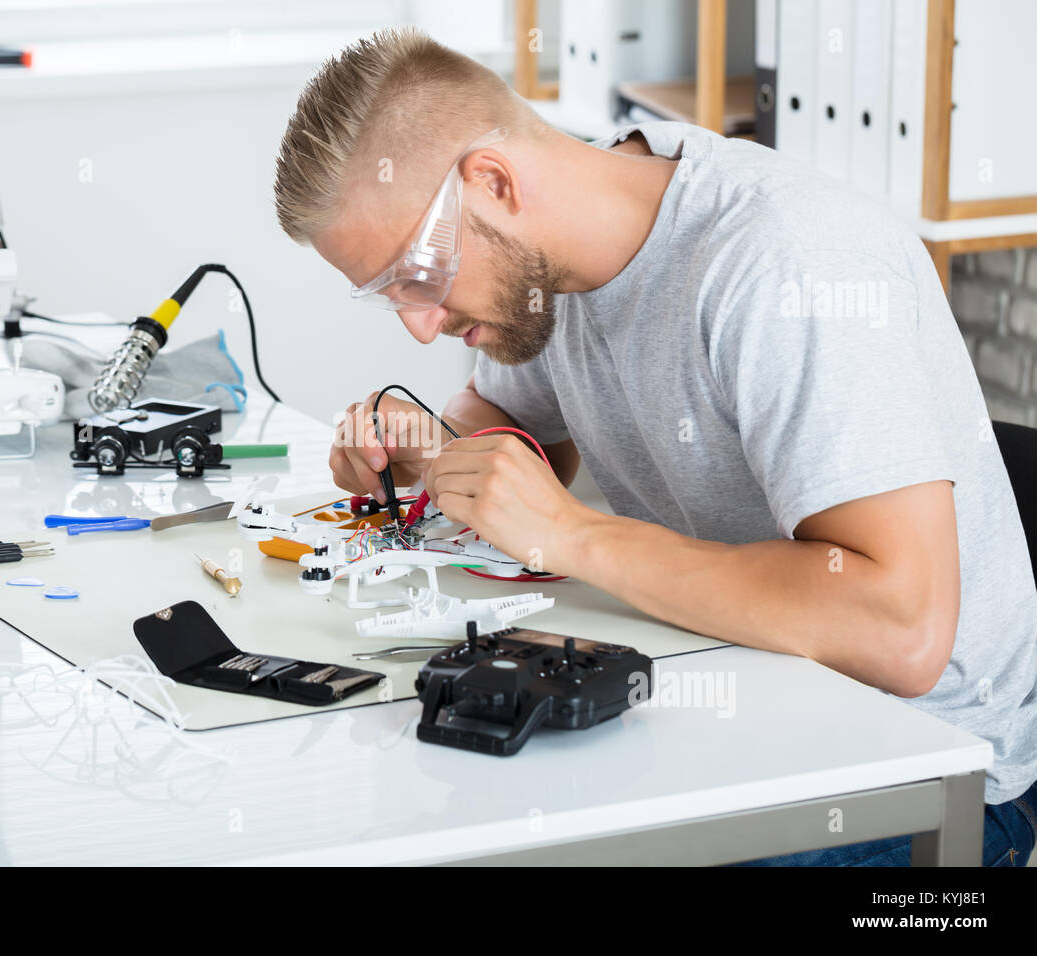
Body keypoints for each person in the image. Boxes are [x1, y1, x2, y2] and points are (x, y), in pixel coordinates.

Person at [272, 28, 1037, 865]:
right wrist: (432, 449)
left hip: (916, 767)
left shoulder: (790, 264)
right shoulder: (552, 260)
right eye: (389, 296)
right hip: (733, 677)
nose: (419, 328)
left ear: (492, 183)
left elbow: (902, 630)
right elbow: (511, 426)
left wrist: (571, 534)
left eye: (415, 277)